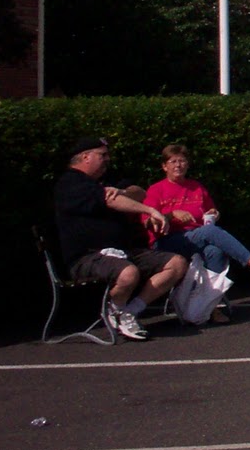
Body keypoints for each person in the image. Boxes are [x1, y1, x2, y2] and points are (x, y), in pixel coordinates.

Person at [53, 138, 188, 341]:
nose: (107, 159)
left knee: (177, 263)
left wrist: (124, 191)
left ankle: (129, 311)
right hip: (88, 257)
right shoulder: (71, 183)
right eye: (102, 155)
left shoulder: (108, 178)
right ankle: (115, 311)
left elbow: (140, 192)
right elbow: (111, 201)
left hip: (124, 251)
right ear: (85, 157)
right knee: (127, 273)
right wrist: (150, 210)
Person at [144, 145, 250, 313]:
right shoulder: (156, 190)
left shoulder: (197, 187)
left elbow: (211, 211)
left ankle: (207, 305)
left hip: (196, 237)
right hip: (167, 240)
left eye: (182, 161)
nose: (178, 165)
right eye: (173, 161)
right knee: (208, 233)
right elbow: (147, 222)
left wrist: (214, 214)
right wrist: (171, 215)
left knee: (215, 251)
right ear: (164, 166)